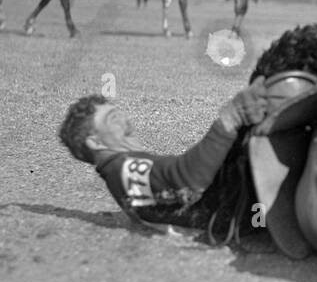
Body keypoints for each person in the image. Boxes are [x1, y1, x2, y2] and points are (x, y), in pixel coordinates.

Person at [59, 80, 270, 229]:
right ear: (95, 142)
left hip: (252, 214)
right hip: (254, 217)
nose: (126, 121)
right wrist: (231, 117)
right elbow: (188, 180)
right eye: (114, 118)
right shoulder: (124, 170)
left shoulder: (121, 173)